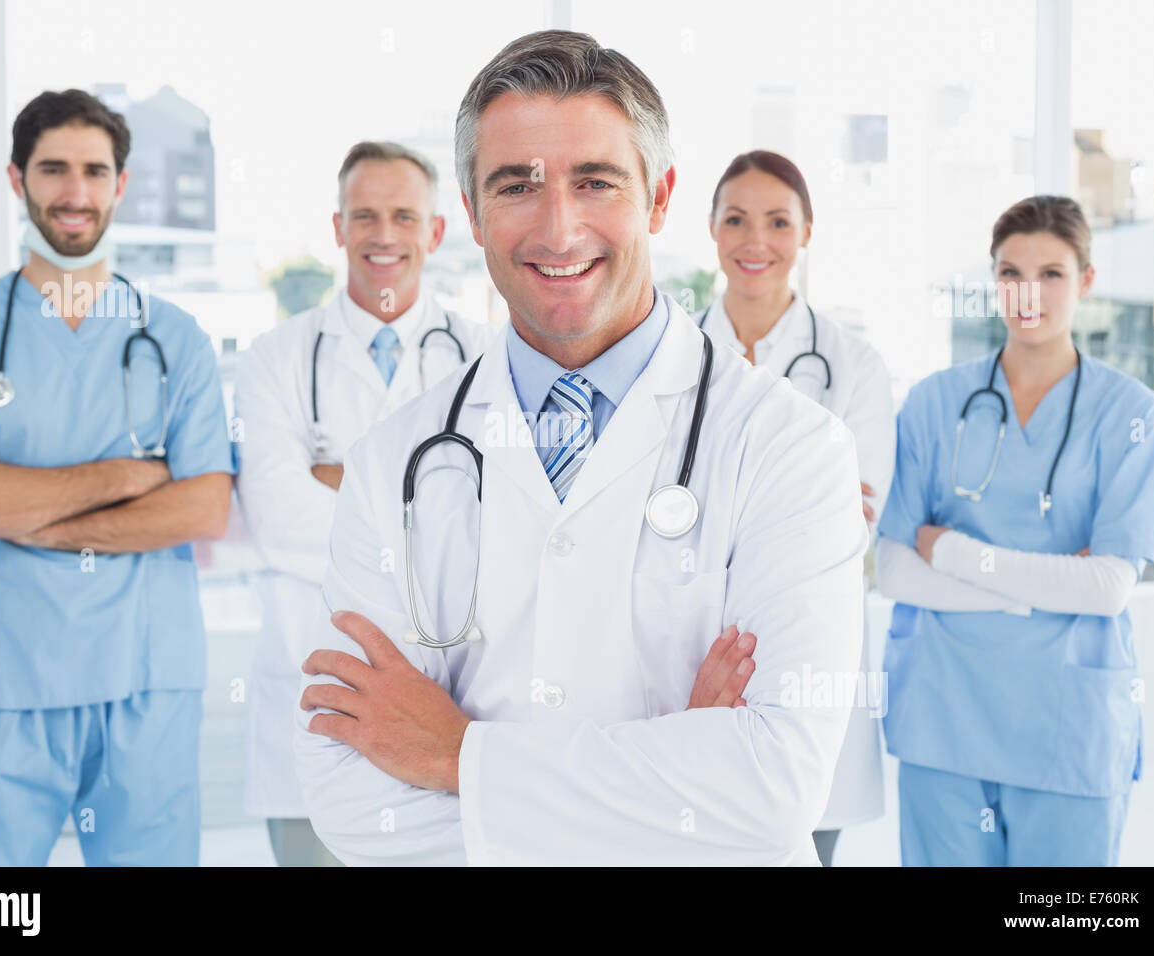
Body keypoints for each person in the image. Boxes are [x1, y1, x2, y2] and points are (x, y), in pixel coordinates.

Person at [292, 30, 868, 865]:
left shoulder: (792, 447)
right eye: (516, 185)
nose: (559, 229)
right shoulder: (394, 462)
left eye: (595, 182)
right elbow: (351, 801)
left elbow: (772, 792)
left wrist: (452, 753)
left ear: (660, 195)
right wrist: (675, 776)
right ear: (475, 208)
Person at [0, 89, 234, 866]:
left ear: (121, 184)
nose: (75, 193)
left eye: (94, 170)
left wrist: (17, 507)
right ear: (18, 179)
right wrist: (131, 475)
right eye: (54, 169)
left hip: (143, 679)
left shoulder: (176, 338)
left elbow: (204, 508)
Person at [875, 195, 1154, 866]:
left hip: (1069, 725)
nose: (1026, 294)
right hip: (945, 720)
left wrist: (950, 552)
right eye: (1010, 273)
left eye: (1052, 274)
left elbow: (1108, 588)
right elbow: (894, 569)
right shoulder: (933, 403)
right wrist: (1042, 587)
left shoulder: (1131, 414)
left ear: (1087, 280)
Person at [234, 141, 494, 866]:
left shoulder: (487, 358)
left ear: (435, 232)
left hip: (448, 700)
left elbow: (502, 523)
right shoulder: (276, 358)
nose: (385, 235)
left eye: (404, 215)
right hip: (308, 686)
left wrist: (338, 477)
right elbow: (277, 519)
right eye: (366, 216)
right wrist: (427, 502)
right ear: (339, 226)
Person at [700, 150, 895, 865]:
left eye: (778, 222)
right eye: (737, 219)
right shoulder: (669, 356)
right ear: (712, 230)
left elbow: (851, 522)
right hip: (688, 653)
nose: (757, 241)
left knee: (802, 839)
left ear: (807, 231)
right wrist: (796, 497)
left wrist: (712, 510)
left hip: (811, 655)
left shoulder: (855, 366)